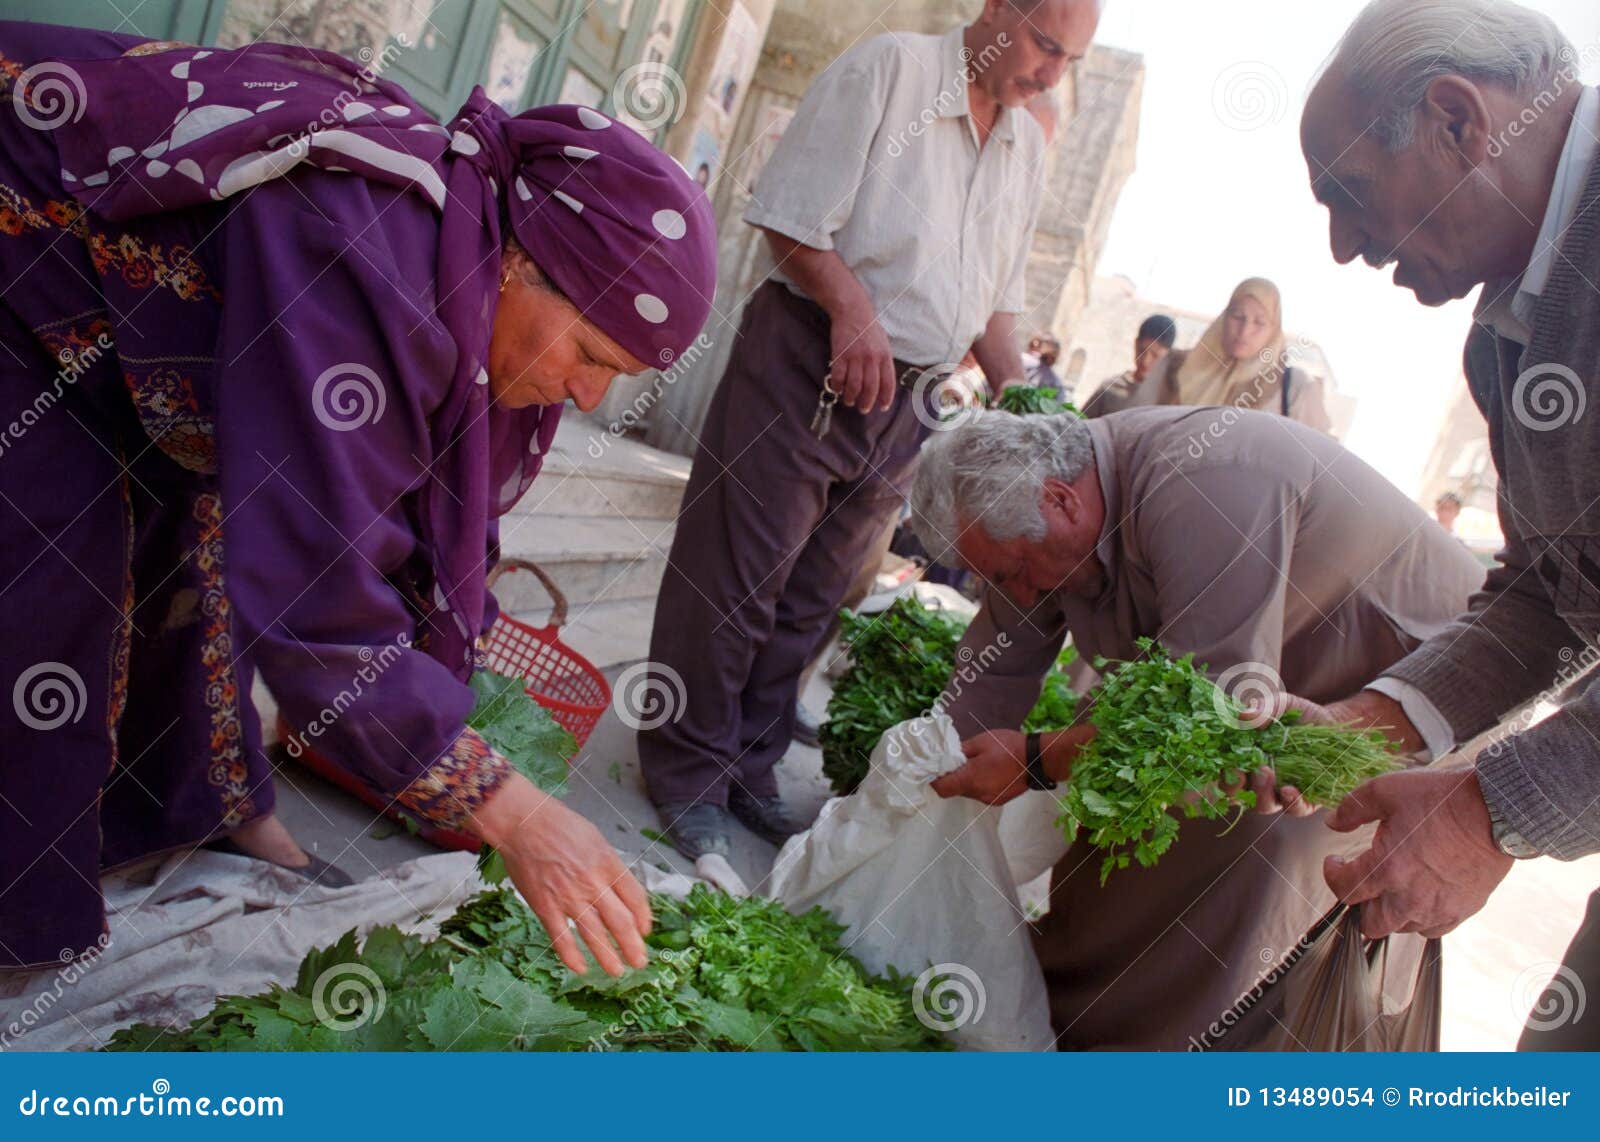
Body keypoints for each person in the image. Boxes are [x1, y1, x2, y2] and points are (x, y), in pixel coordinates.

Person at [0, 21, 717, 976]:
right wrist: (512, 813)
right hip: (26, 261)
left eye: (616, 376)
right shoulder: (369, 251)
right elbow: (318, 586)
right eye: (590, 354)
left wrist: (444, 726)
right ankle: (23, 915)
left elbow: (424, 531)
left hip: (150, 344)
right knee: (56, 573)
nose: (589, 397)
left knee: (199, 547)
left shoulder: (476, 291)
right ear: (520, 263)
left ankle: (205, 811)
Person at [639, 0, 1102, 859]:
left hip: (911, 400)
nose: (1051, 74)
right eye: (1045, 45)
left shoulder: (1026, 145)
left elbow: (996, 306)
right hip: (809, 358)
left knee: (820, 593)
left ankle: (747, 766)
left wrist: (1023, 398)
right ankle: (684, 769)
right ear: (996, 9)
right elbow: (788, 216)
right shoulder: (891, 70)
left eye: (1069, 61)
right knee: (737, 575)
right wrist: (852, 309)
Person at [910, 408, 1484, 1049]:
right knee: (1112, 844)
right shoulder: (1037, 519)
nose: (1013, 590)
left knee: (1250, 861)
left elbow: (1208, 713)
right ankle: (1055, 1032)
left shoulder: (1208, 480)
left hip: (1415, 692)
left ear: (1061, 502)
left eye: (1010, 571)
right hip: (1261, 684)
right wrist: (930, 773)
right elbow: (997, 665)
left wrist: (1036, 759)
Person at [1295, 0, 1600, 1049]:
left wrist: (1489, 810)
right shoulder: (1504, 335)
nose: (1342, 247)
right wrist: (1375, 720)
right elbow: (1549, 592)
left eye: (1348, 193)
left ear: (1458, 121)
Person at [1079, 313, 1176, 416]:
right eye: (1142, 350)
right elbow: (1080, 423)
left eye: (1155, 355)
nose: (1145, 361)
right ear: (1135, 344)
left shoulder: (1167, 402)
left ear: (1167, 356)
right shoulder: (1110, 388)